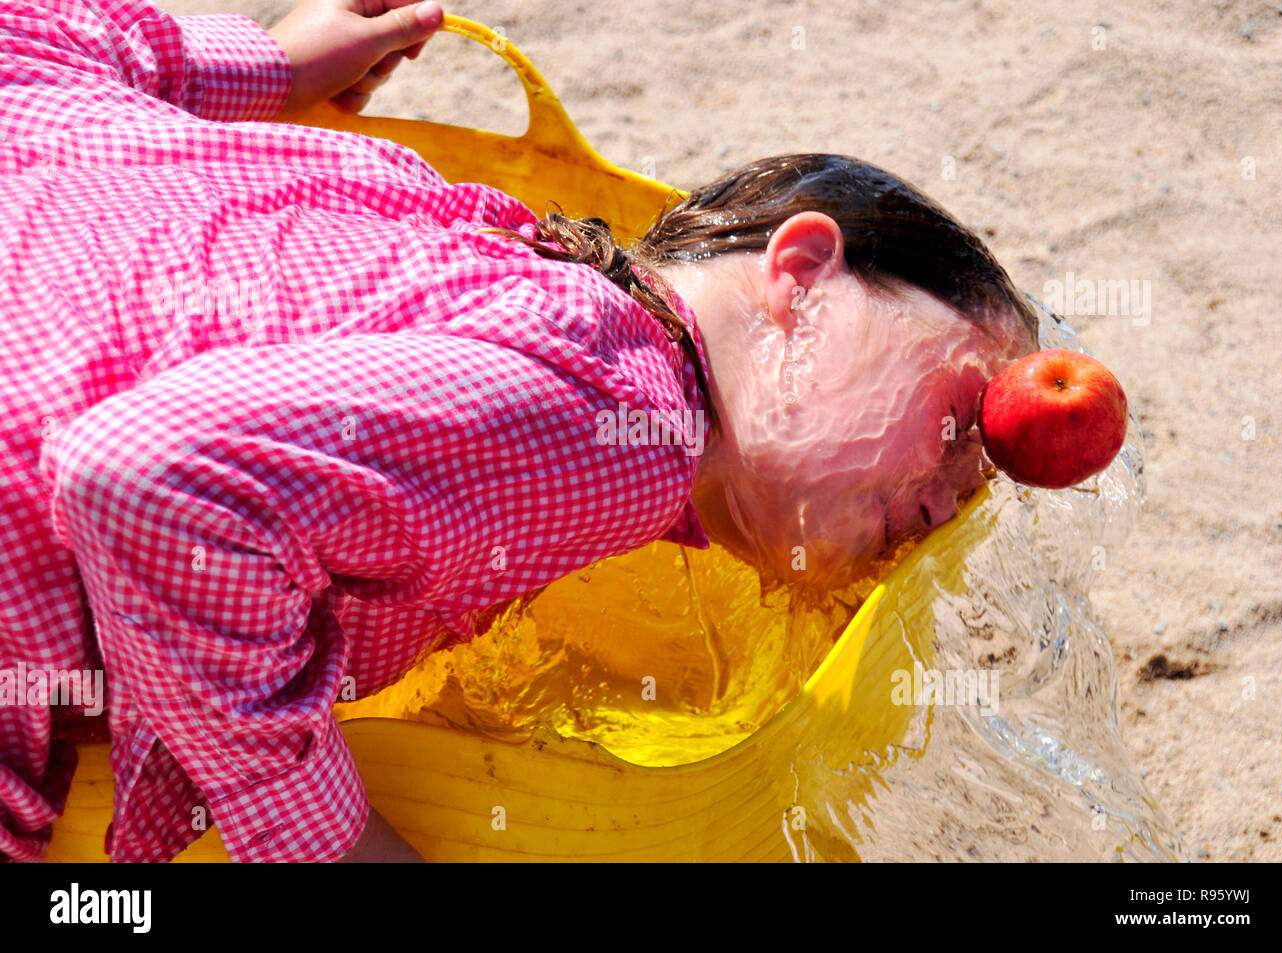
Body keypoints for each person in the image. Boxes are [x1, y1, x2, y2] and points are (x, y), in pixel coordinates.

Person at [0, 0, 1036, 863]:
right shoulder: (618, 427)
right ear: (803, 275)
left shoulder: (469, 229)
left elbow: (31, 52)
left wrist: (270, 63)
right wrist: (330, 837)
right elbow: (143, 478)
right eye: (953, 424)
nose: (946, 500)